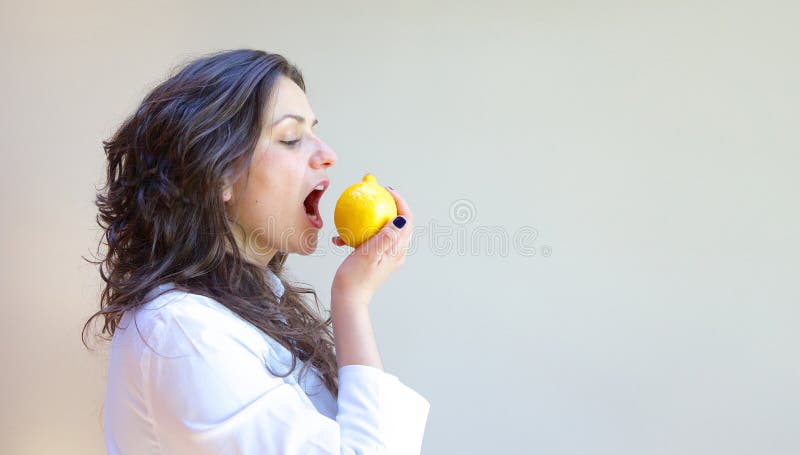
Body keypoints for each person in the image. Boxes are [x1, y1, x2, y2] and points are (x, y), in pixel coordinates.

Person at [83, 49, 430, 454]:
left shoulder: (237, 311)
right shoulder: (181, 332)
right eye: (290, 138)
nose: (328, 154)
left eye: (314, 131)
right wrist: (352, 300)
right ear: (218, 177)